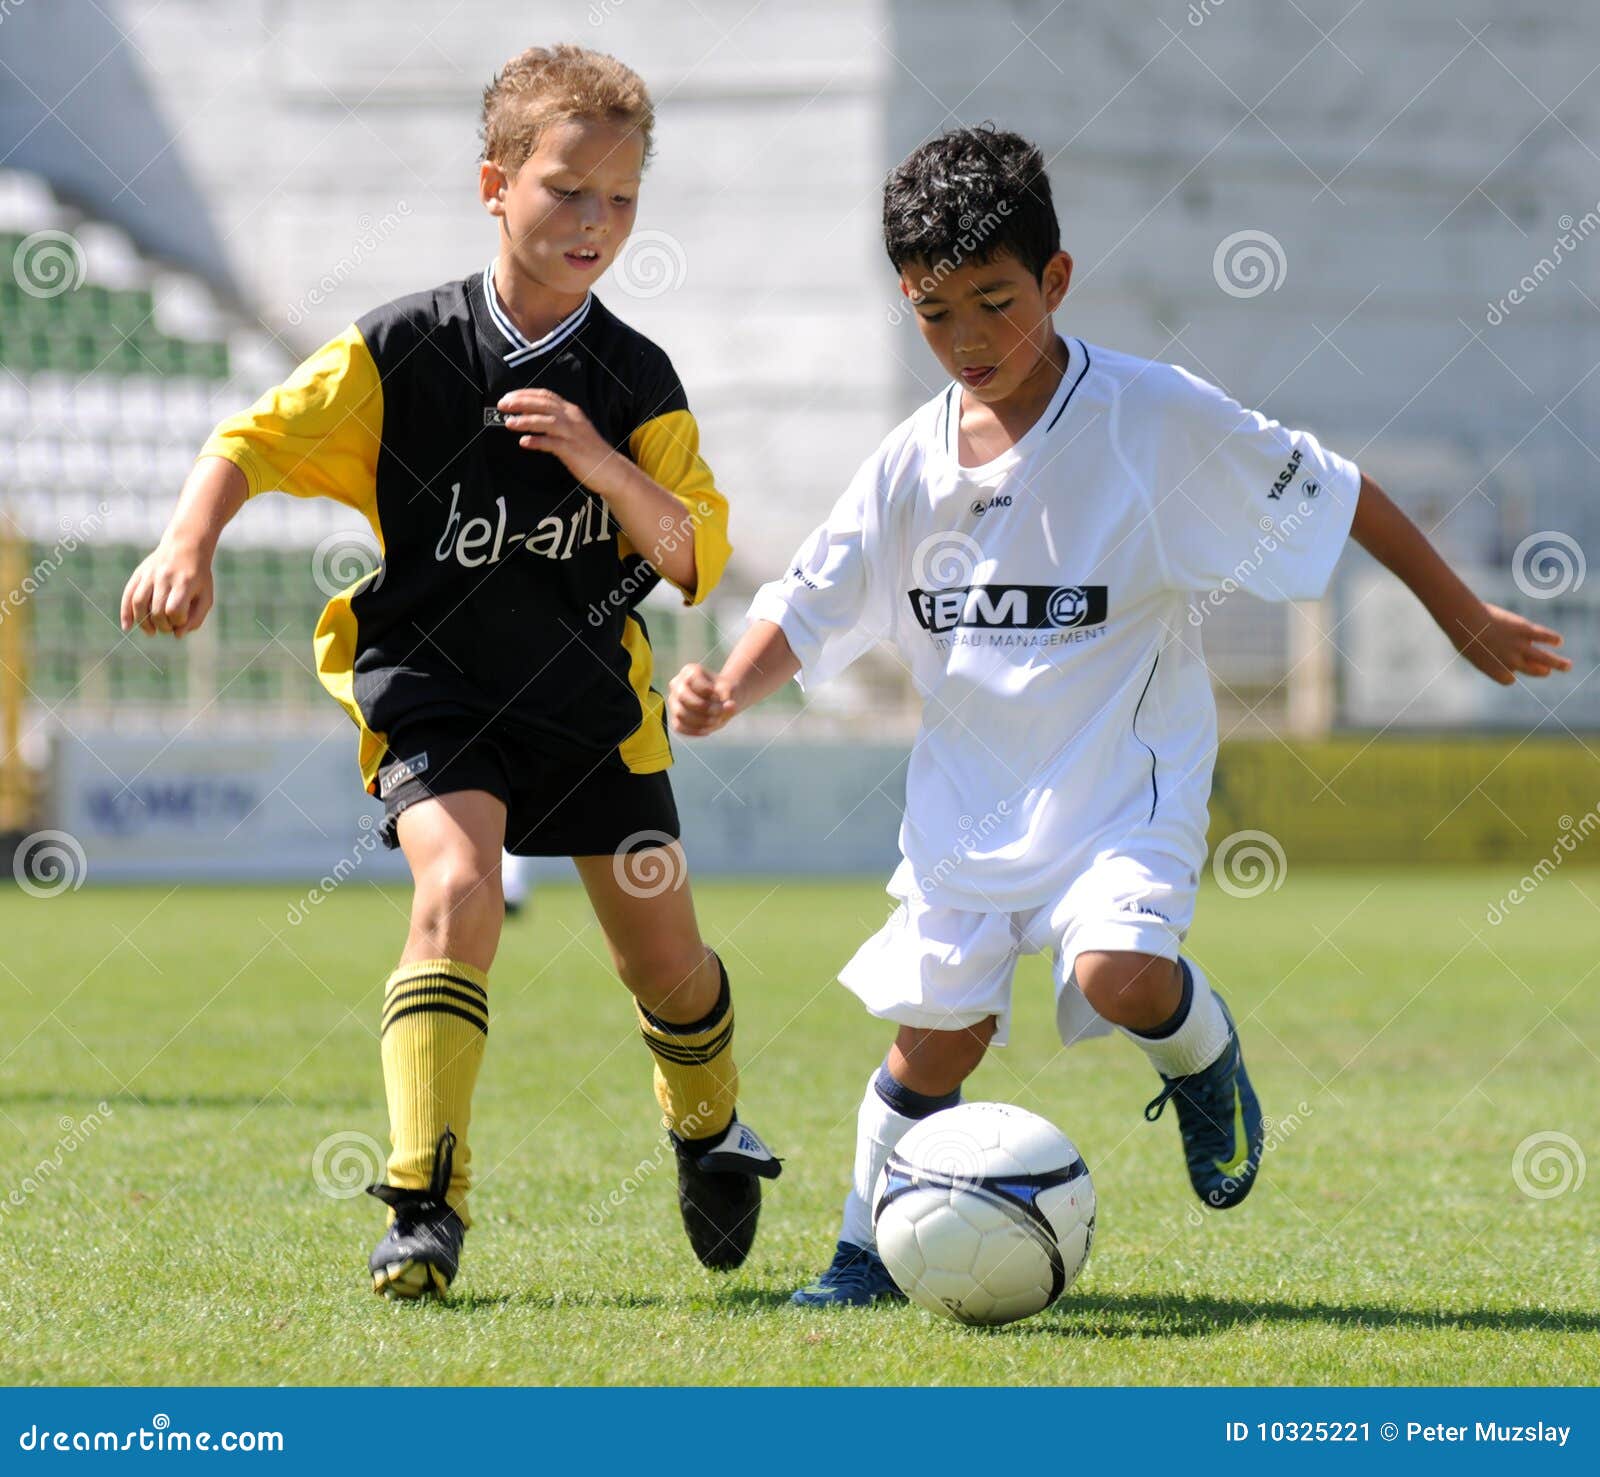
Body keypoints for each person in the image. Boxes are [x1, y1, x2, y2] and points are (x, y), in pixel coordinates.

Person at [667, 125, 1569, 1307]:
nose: (968, 340)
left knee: (1117, 971)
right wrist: (730, 683)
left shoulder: (1151, 417)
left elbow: (1335, 488)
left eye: (995, 301)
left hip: (1120, 793)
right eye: (934, 314)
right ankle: (861, 1250)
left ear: (1056, 279)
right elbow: (813, 597)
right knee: (936, 1043)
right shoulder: (905, 465)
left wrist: (1456, 613)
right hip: (967, 812)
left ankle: (1204, 1064)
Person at [120, 43, 781, 1300]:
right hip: (430, 678)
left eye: (621, 199)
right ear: (494, 184)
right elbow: (249, 439)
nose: (595, 223)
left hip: (591, 700)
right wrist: (186, 539)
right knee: (460, 882)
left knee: (666, 963)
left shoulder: (635, 381)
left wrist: (600, 461)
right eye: (565, 190)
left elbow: (691, 555)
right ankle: (424, 1204)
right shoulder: (403, 350)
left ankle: (707, 1127)